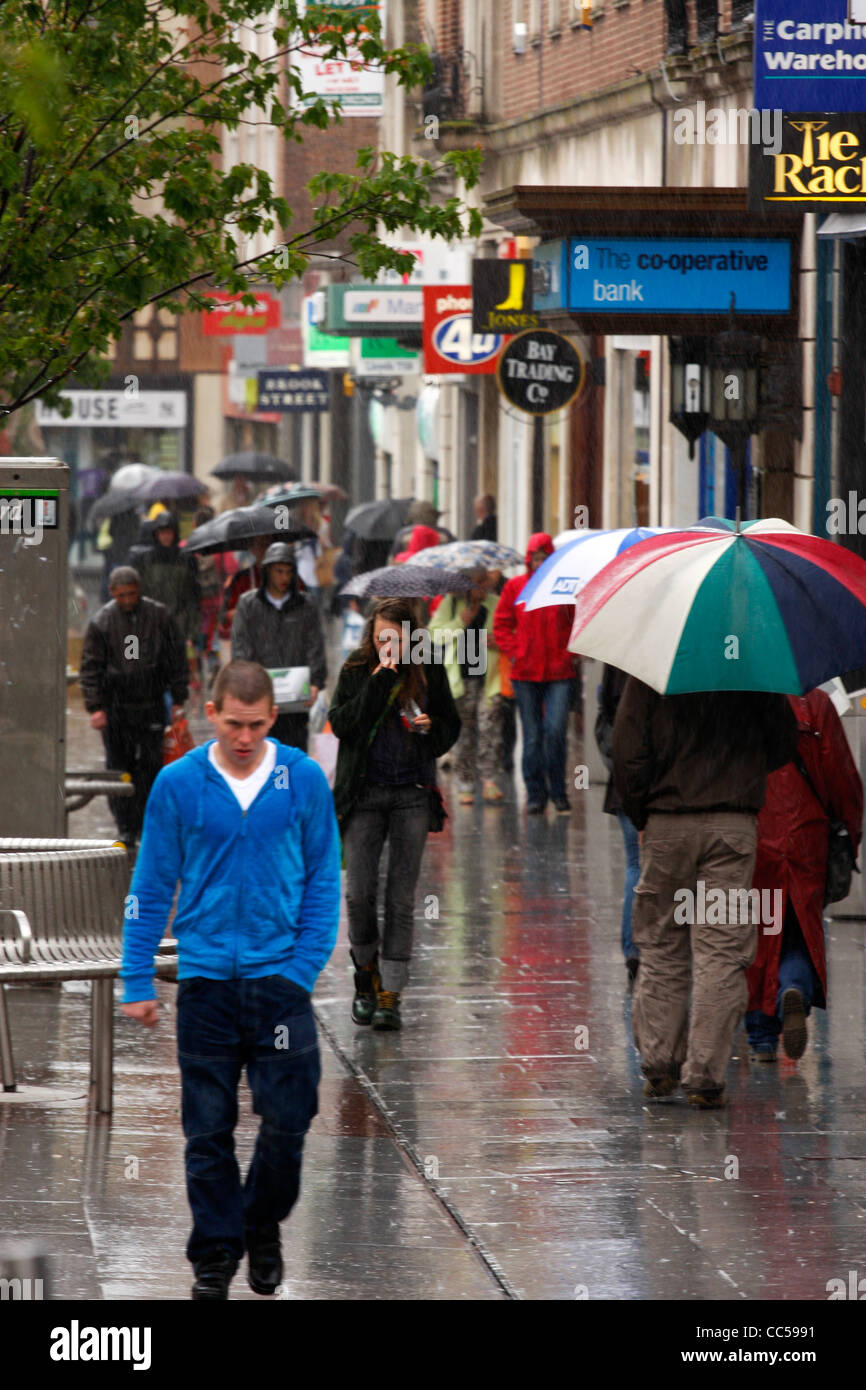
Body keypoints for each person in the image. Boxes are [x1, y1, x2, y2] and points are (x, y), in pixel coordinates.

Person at [120, 660, 340, 1300]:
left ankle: (260, 1220)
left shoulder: (301, 780)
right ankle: (214, 1260)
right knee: (208, 1130)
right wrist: (137, 975)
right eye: (232, 723)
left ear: (274, 718)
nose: (244, 738)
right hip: (209, 986)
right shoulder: (177, 785)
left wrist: (300, 971)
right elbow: (151, 885)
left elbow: (325, 882)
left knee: (289, 1119)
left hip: (279, 987)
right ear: (209, 713)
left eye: (257, 725)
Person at [612, 680, 798, 1109]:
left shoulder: (653, 666)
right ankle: (706, 1077)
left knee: (661, 946)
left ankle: (660, 1065)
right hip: (732, 825)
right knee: (722, 951)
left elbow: (627, 751)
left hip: (667, 823)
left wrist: (644, 812)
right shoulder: (753, 666)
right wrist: (741, 770)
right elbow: (783, 742)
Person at [329, 599, 460, 1031]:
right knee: (359, 893)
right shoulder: (356, 668)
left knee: (401, 899)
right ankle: (365, 973)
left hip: (411, 794)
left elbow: (449, 725)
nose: (389, 646)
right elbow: (342, 724)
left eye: (397, 639)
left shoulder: (427, 667)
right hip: (364, 792)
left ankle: (391, 994)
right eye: (381, 637)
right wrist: (376, 680)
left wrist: (430, 729)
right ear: (372, 635)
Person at [746, 688, 863, 1063]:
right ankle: (792, 989)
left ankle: (761, 1037)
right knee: (796, 928)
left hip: (751, 830)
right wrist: (850, 833)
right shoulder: (816, 704)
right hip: (805, 834)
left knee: (754, 932)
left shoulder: (733, 697)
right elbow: (842, 777)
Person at [79, 566, 188, 851]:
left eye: (132, 594)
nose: (128, 599)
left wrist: (178, 698)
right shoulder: (102, 622)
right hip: (117, 708)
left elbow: (176, 658)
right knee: (119, 769)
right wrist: (95, 707)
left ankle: (146, 824)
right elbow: (90, 667)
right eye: (122, 594)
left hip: (150, 704)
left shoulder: (159, 616)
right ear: (113, 593)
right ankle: (126, 827)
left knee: (151, 767)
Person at [493, 533, 576, 815]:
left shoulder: (564, 588)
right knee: (532, 735)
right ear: (530, 560)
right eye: (536, 558)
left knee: (555, 732)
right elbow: (501, 624)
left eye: (545, 558)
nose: (540, 563)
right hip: (525, 673)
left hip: (559, 672)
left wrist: (570, 653)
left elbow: (577, 621)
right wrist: (515, 651)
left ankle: (559, 792)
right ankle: (535, 794)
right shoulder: (516, 587)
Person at [230, 542, 326, 752]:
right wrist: (248, 682)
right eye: (279, 571)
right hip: (261, 695)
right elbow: (241, 646)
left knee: (294, 750)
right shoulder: (248, 604)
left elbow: (315, 645)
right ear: (267, 571)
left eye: (289, 572)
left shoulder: (305, 604)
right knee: (262, 751)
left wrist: (316, 682)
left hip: (296, 697)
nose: (284, 578)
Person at [429, 566, 503, 804]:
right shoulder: (451, 604)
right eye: (476, 582)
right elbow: (433, 635)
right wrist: (459, 622)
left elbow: (510, 631)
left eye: (484, 582)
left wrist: (498, 640)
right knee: (464, 731)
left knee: (490, 726)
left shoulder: (496, 603)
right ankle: (466, 782)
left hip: (489, 678)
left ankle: (490, 778)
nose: (482, 587)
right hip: (461, 678)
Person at [595, 664, 640, 985]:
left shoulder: (622, 654)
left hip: (627, 782)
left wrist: (622, 764)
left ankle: (634, 949)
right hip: (668, 787)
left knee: (636, 867)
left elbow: (606, 717)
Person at [127, 509, 202, 647]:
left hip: (178, 629)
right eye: (162, 532)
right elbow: (138, 596)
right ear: (156, 534)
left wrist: (193, 633)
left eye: (169, 532)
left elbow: (192, 599)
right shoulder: (145, 560)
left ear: (175, 533)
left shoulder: (186, 560)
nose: (165, 536)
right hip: (151, 628)